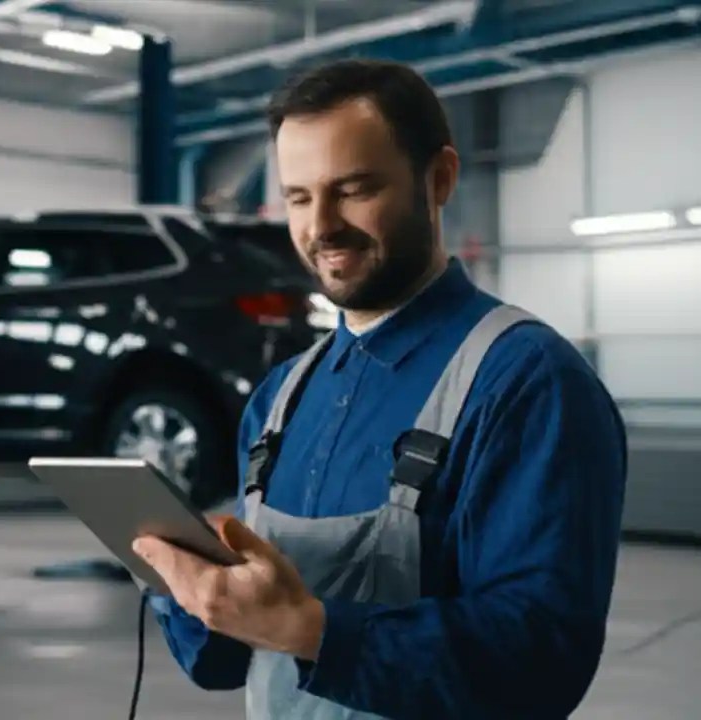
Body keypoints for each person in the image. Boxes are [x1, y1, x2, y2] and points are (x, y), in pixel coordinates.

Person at [131, 58, 628, 719]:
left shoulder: (528, 383)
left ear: (440, 178)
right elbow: (226, 662)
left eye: (355, 188)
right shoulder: (279, 399)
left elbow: (540, 658)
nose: (322, 225)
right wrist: (195, 591)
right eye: (300, 197)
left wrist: (307, 628)